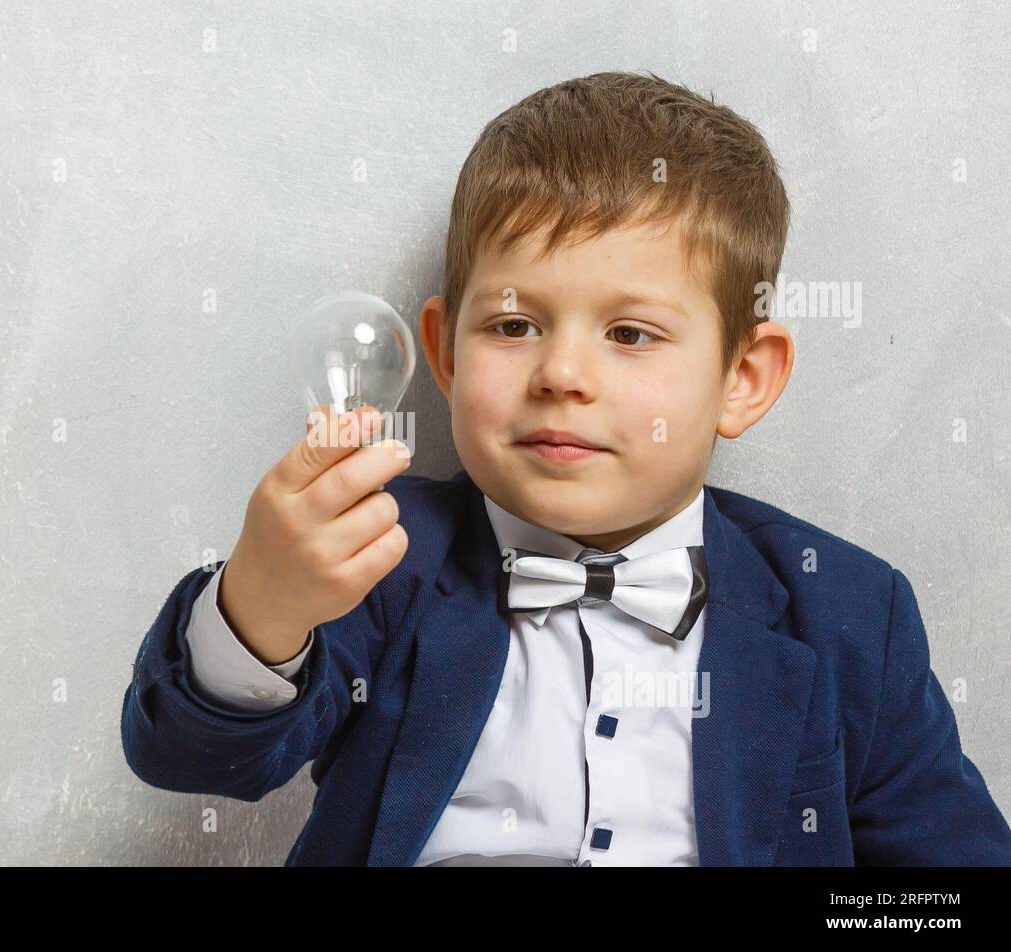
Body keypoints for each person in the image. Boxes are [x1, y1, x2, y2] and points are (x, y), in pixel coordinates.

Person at [120, 71, 1011, 866]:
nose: (561, 374)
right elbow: (192, 760)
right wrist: (263, 606)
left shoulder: (849, 612)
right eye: (514, 325)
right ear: (447, 352)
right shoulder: (381, 555)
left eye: (630, 333)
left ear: (742, 378)